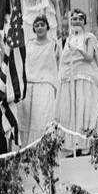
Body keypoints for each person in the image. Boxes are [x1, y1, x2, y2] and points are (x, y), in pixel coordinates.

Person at [56, 8, 98, 148]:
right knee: (71, 112)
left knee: (85, 111)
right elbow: (63, 60)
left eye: (80, 19)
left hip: (86, 78)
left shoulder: (89, 37)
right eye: (74, 19)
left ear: (84, 21)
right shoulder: (69, 39)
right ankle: (72, 145)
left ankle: (86, 145)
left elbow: (89, 57)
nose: (77, 21)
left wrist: (78, 50)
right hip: (71, 79)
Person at [21, 14, 61, 142]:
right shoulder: (29, 45)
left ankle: (45, 151)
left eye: (42, 25)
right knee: (28, 123)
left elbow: (60, 65)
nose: (39, 28)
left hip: (46, 85)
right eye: (36, 25)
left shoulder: (54, 45)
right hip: (30, 86)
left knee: (43, 121)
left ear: (47, 27)